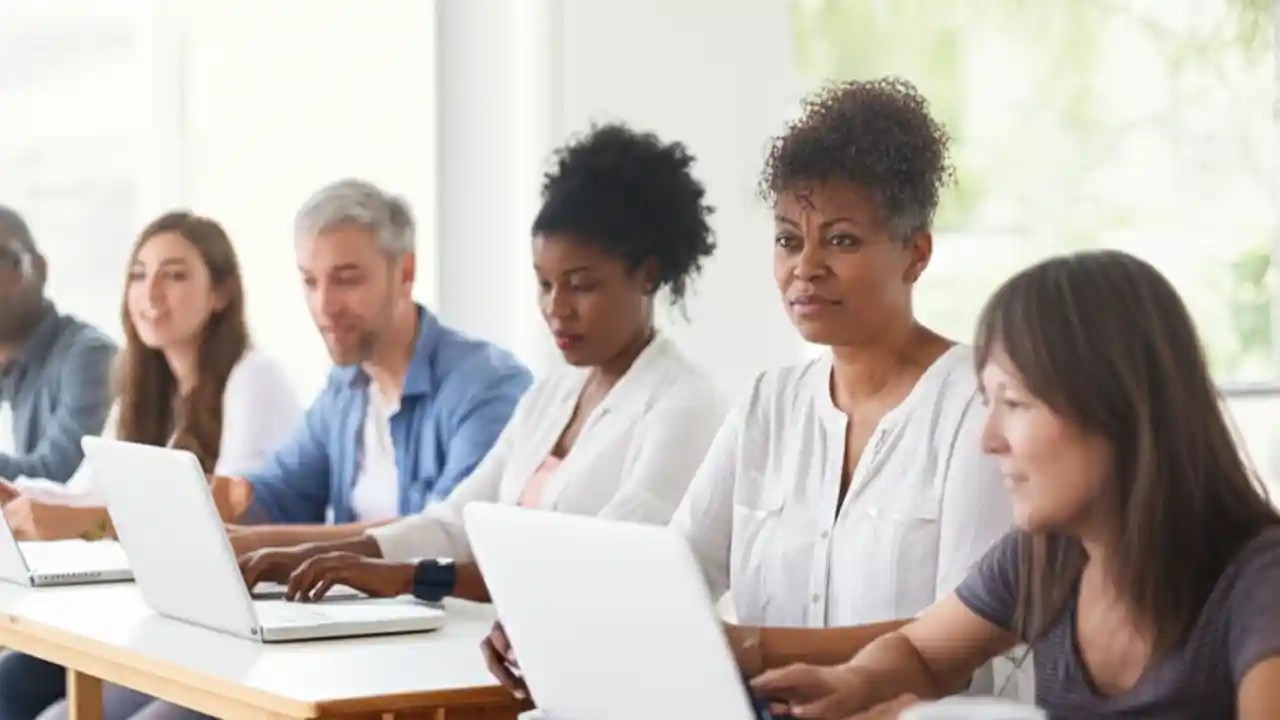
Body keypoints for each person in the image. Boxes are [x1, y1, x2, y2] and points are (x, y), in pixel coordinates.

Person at [480, 78, 1013, 703]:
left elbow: (964, 637)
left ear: (915, 254)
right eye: (789, 239)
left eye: (841, 240)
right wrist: (547, 618)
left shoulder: (980, 407)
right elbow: (670, 573)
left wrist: (756, 645)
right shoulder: (770, 405)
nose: (805, 268)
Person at [752, 251, 1280, 719]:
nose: (990, 440)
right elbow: (920, 653)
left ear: (1118, 408)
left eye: (1016, 404)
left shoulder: (1261, 579)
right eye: (989, 403)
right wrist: (854, 682)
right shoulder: (1044, 556)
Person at [237, 124, 728, 611]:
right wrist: (316, 556)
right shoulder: (552, 397)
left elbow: (595, 566)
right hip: (504, 654)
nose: (556, 307)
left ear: (646, 275)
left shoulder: (684, 405)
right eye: (544, 283)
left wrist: (406, 577)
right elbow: (456, 522)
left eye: (580, 285)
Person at [0, 211, 302, 720]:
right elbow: (79, 490)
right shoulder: (146, 389)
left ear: (222, 293)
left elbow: (227, 519)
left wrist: (81, 520)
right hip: (161, 620)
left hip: (235, 634)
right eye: (139, 274)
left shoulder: (254, 378)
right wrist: (17, 492)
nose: (150, 292)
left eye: (175, 275)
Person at [212, 179, 532, 554]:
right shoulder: (347, 388)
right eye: (310, 282)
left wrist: (266, 545)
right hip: (363, 609)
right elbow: (277, 495)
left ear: (405, 274)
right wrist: (202, 496)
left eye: (346, 280)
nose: (324, 306)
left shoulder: (486, 386)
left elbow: (447, 533)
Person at [0, 206, 114, 486]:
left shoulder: (89, 358)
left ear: (40, 269)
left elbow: (58, 481)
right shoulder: (10, 367)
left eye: (3, 259)